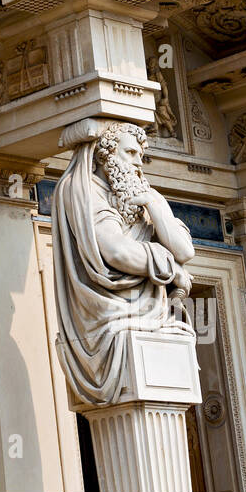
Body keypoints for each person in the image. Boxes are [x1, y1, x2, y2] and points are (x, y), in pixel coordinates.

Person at [52, 121, 195, 407]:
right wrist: (170, 268)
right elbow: (116, 252)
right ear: (105, 154)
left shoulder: (142, 195)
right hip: (108, 315)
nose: (137, 164)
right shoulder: (82, 188)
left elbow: (185, 250)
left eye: (140, 156)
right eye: (129, 153)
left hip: (144, 313)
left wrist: (155, 205)